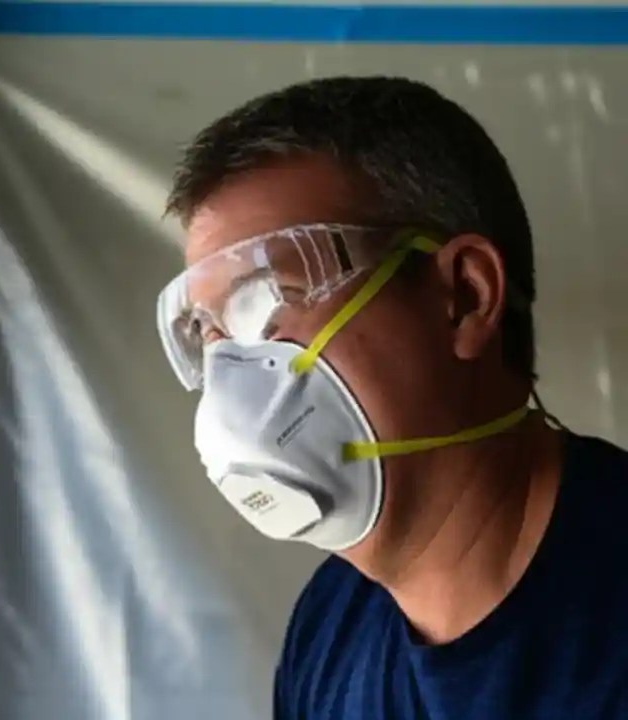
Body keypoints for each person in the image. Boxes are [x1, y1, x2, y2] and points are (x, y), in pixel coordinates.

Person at [155, 76, 628, 718]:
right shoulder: (329, 628)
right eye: (211, 332)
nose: (234, 369)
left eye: (270, 300)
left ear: (463, 297)